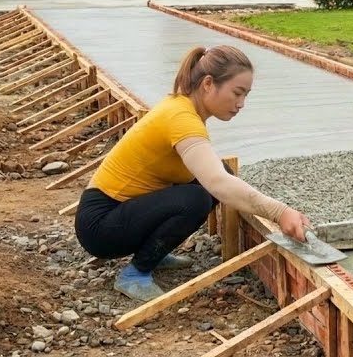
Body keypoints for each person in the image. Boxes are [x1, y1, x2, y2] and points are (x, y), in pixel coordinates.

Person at [74, 45, 311, 302]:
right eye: (237, 93)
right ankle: (136, 273)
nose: (241, 104)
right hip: (100, 226)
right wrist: (280, 212)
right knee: (197, 198)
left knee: (220, 173)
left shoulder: (182, 106)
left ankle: (154, 250)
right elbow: (217, 182)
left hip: (119, 213)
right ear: (208, 84)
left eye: (246, 95)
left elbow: (219, 174)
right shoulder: (181, 118)